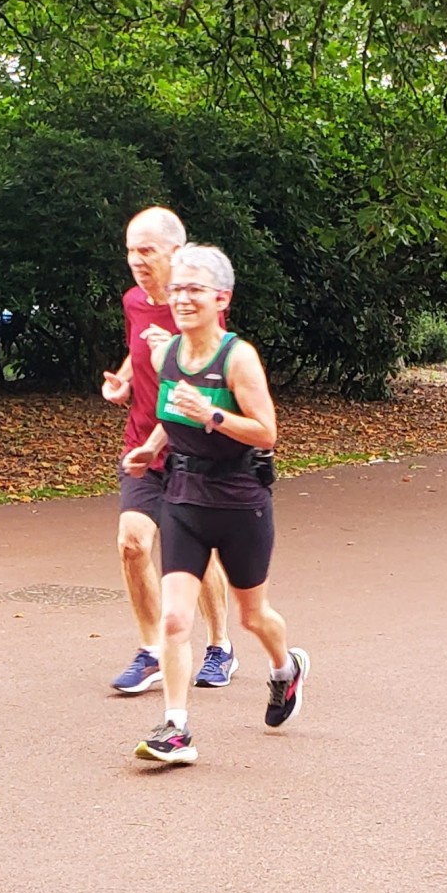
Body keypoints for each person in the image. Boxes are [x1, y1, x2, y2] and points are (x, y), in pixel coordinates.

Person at [123, 243, 309, 764]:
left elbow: (267, 431)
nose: (182, 298)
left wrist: (212, 414)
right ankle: (175, 729)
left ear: (220, 297)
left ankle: (284, 669)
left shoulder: (238, 356)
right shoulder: (168, 354)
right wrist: (152, 447)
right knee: (177, 621)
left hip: (239, 500)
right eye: (176, 288)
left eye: (194, 289)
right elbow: (170, 411)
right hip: (182, 495)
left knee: (254, 617)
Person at [102, 207, 237, 695]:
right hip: (141, 443)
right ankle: (152, 651)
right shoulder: (134, 301)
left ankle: (221, 646)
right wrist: (123, 380)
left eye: (147, 251)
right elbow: (140, 350)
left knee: (195, 553)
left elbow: (211, 373)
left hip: (190, 446)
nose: (137, 261)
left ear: (176, 253)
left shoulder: (197, 307)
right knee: (133, 542)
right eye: (131, 252)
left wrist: (174, 348)